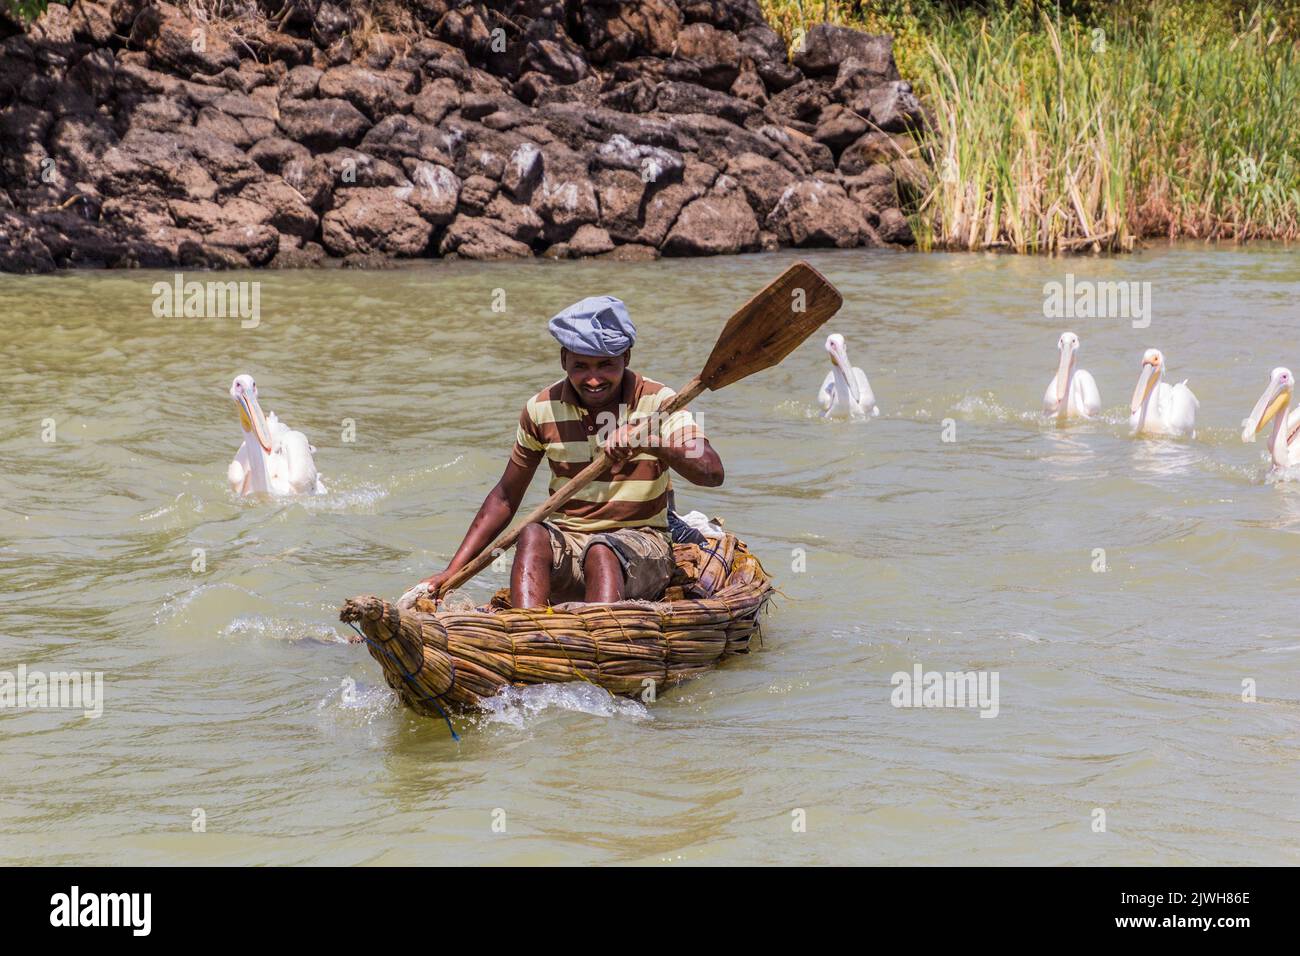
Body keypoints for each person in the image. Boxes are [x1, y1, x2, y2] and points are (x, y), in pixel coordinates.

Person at [420, 295, 724, 607]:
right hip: (570, 544)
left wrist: (649, 442)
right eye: (581, 366)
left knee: (602, 550)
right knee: (532, 534)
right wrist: (452, 571)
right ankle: (528, 632)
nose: (593, 379)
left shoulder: (659, 403)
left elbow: (712, 473)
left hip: (643, 546)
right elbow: (505, 497)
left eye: (606, 365)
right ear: (564, 360)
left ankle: (601, 638)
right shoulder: (541, 409)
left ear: (626, 357)